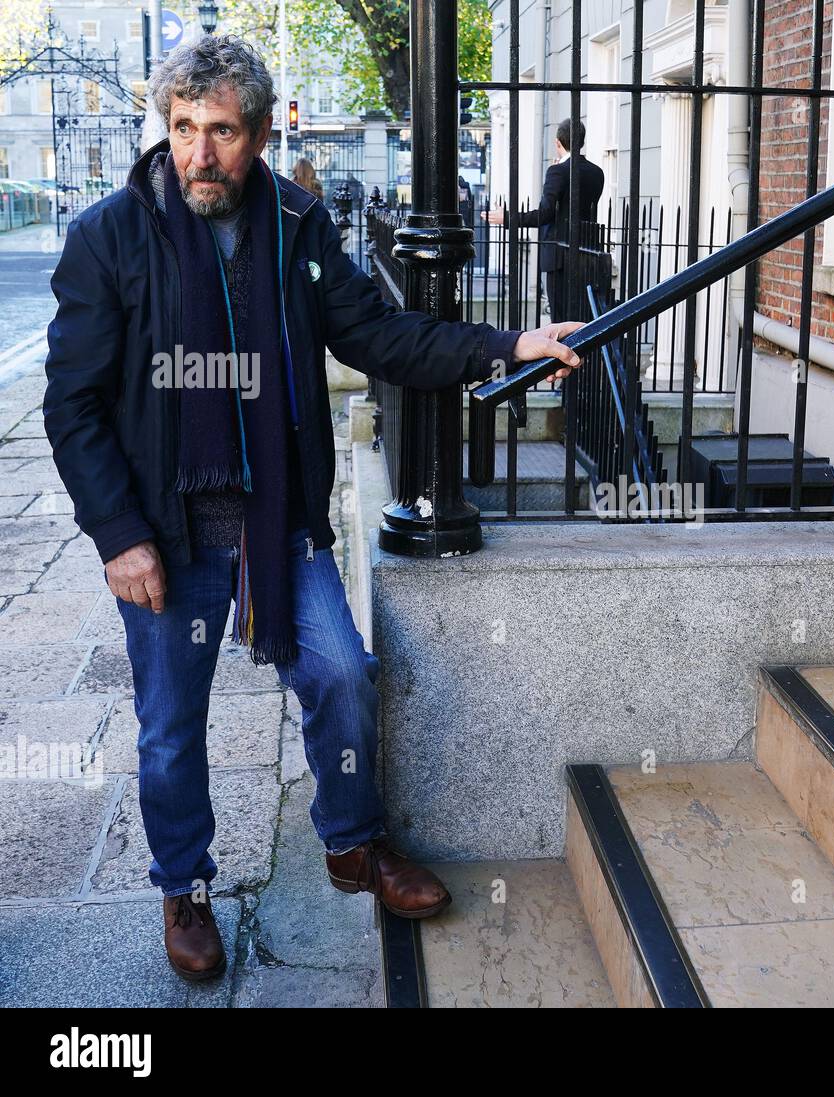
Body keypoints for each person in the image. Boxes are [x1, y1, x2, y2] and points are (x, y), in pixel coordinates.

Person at [42, 35, 582, 983]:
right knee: (172, 728)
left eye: (218, 132)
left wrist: (507, 344)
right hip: (166, 534)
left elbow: (380, 332)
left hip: (275, 523)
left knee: (344, 675)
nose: (196, 153)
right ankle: (187, 887)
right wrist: (119, 536)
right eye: (180, 129)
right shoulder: (110, 236)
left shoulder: (298, 226)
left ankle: (351, 843)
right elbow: (72, 405)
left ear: (257, 132)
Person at [487, 117, 604, 323]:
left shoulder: (557, 171)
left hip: (560, 255)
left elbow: (546, 213)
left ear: (558, 142)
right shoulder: (597, 172)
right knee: (582, 316)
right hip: (587, 250)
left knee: (560, 318)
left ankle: (562, 355)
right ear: (582, 141)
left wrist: (507, 218)